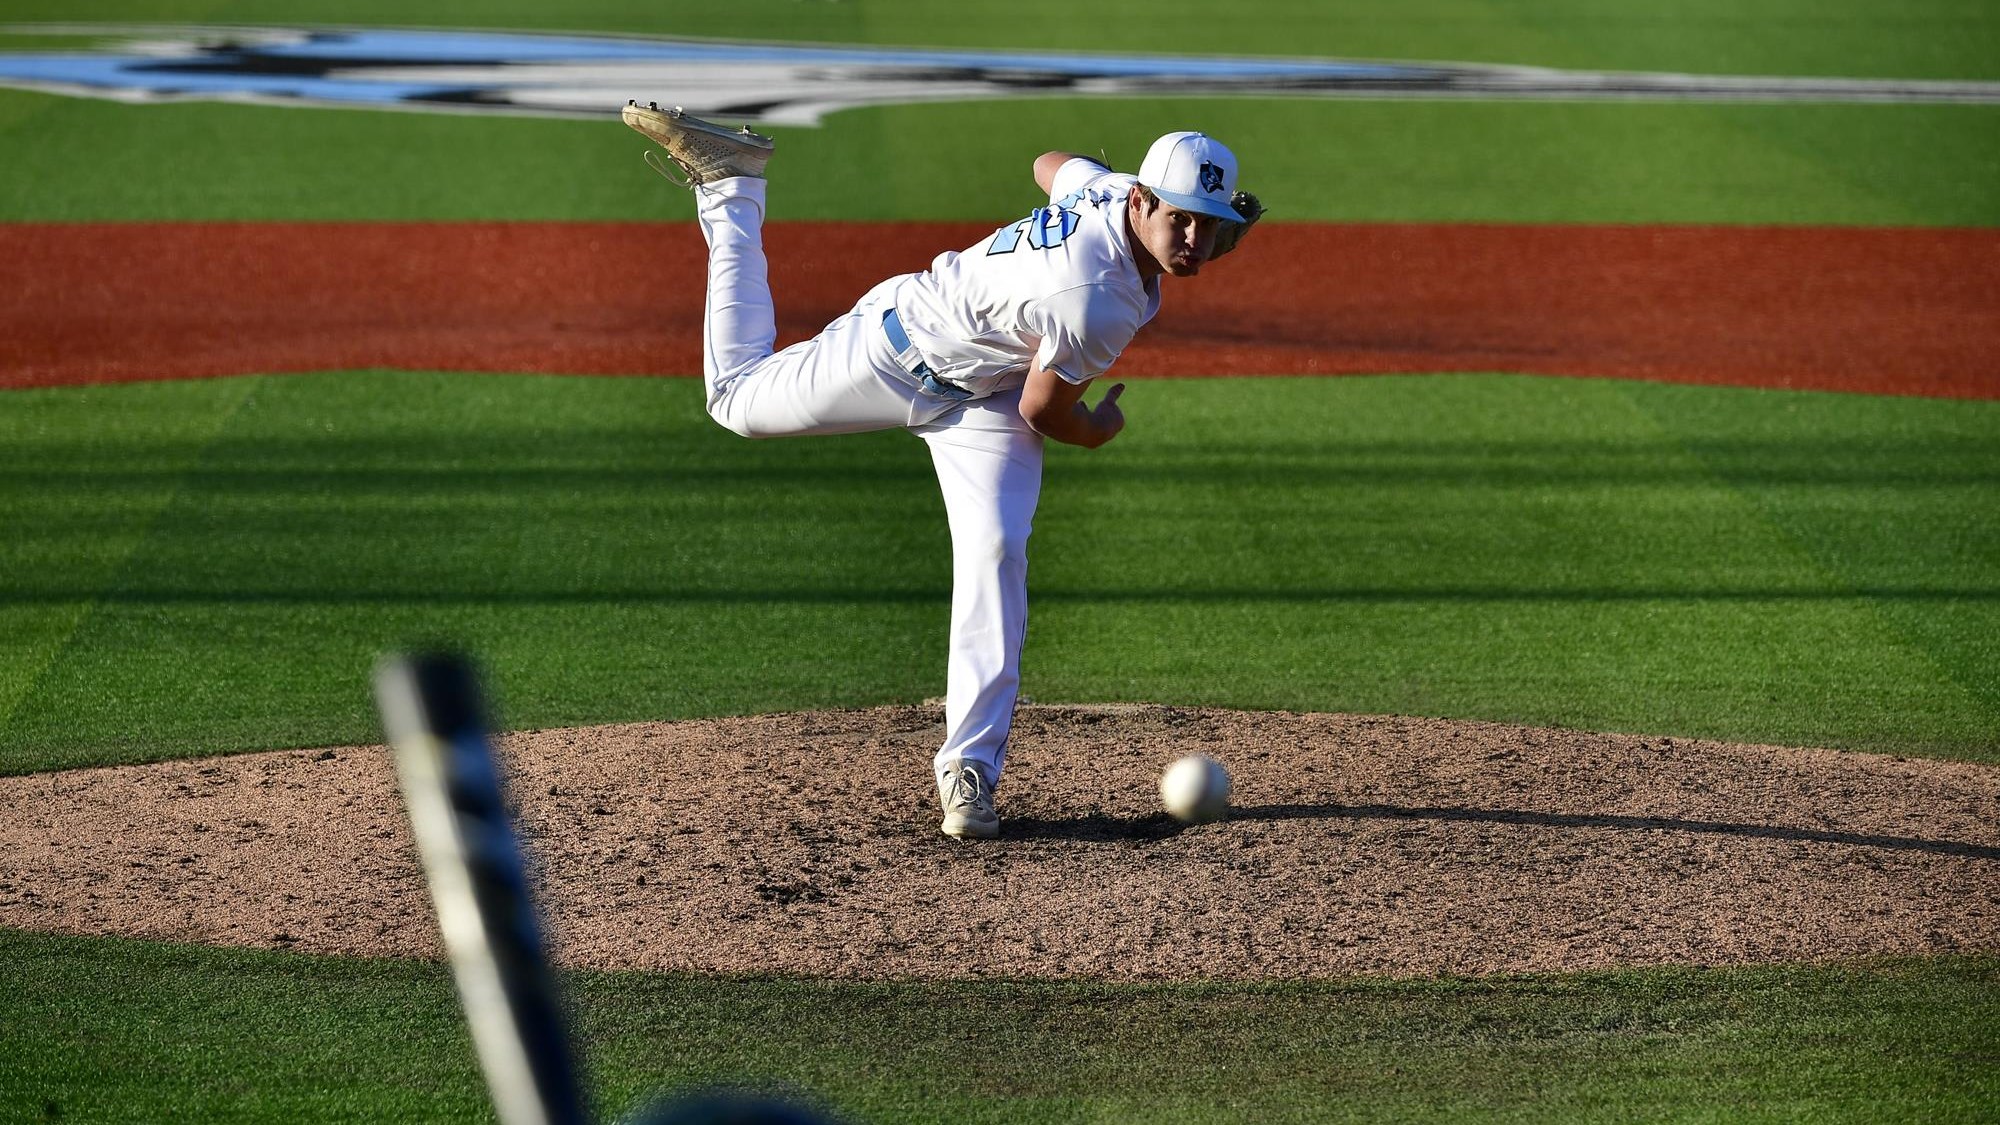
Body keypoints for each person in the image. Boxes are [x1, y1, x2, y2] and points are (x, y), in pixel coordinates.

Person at [621, 101, 1260, 840]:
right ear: (1144, 200)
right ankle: (733, 186)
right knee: (736, 401)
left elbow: (1050, 163)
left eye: (1208, 222)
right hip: (896, 354)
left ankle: (971, 771)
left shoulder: (1111, 193)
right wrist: (1095, 432)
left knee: (996, 550)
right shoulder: (1097, 301)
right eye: (1180, 216)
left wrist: (1094, 194)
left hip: (984, 399)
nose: (1194, 237)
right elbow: (1046, 411)